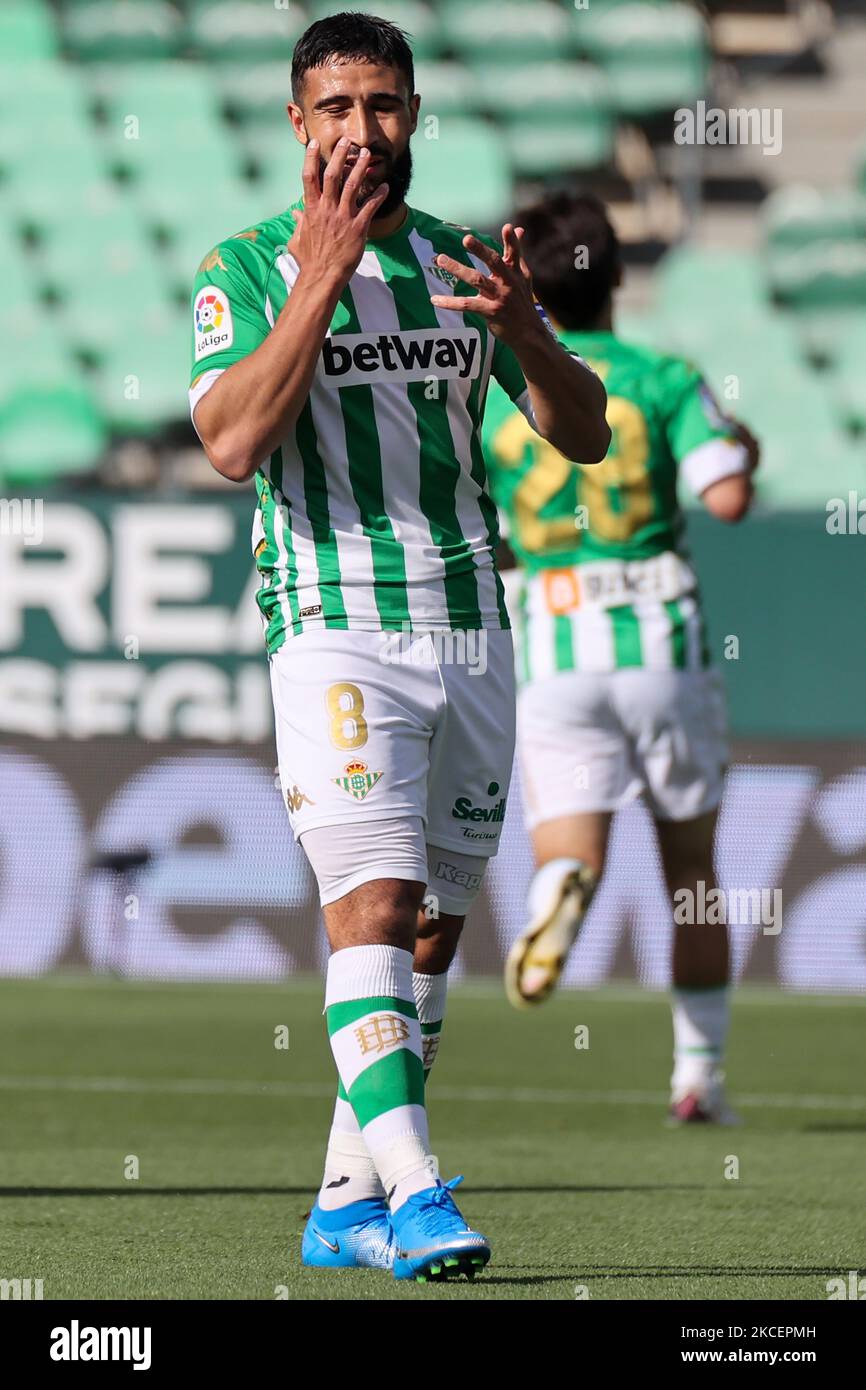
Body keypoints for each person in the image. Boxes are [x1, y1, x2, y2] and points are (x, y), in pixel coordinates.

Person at [188, 16, 609, 1281]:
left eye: (381, 106)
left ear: (414, 114)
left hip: (473, 623)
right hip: (334, 630)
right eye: (333, 108)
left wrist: (531, 335)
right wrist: (321, 272)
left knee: (427, 933)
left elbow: (580, 435)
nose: (359, 133)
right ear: (295, 123)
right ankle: (419, 1195)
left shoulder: (461, 266)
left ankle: (338, 1206)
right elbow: (231, 442)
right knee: (368, 907)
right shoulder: (247, 267)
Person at [483, 191, 759, 1124]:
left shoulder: (504, 391)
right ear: (620, 278)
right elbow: (724, 500)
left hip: (550, 637)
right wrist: (742, 447)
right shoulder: (663, 377)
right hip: (658, 633)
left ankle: (561, 887)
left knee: (570, 846)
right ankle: (698, 1078)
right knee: (691, 871)